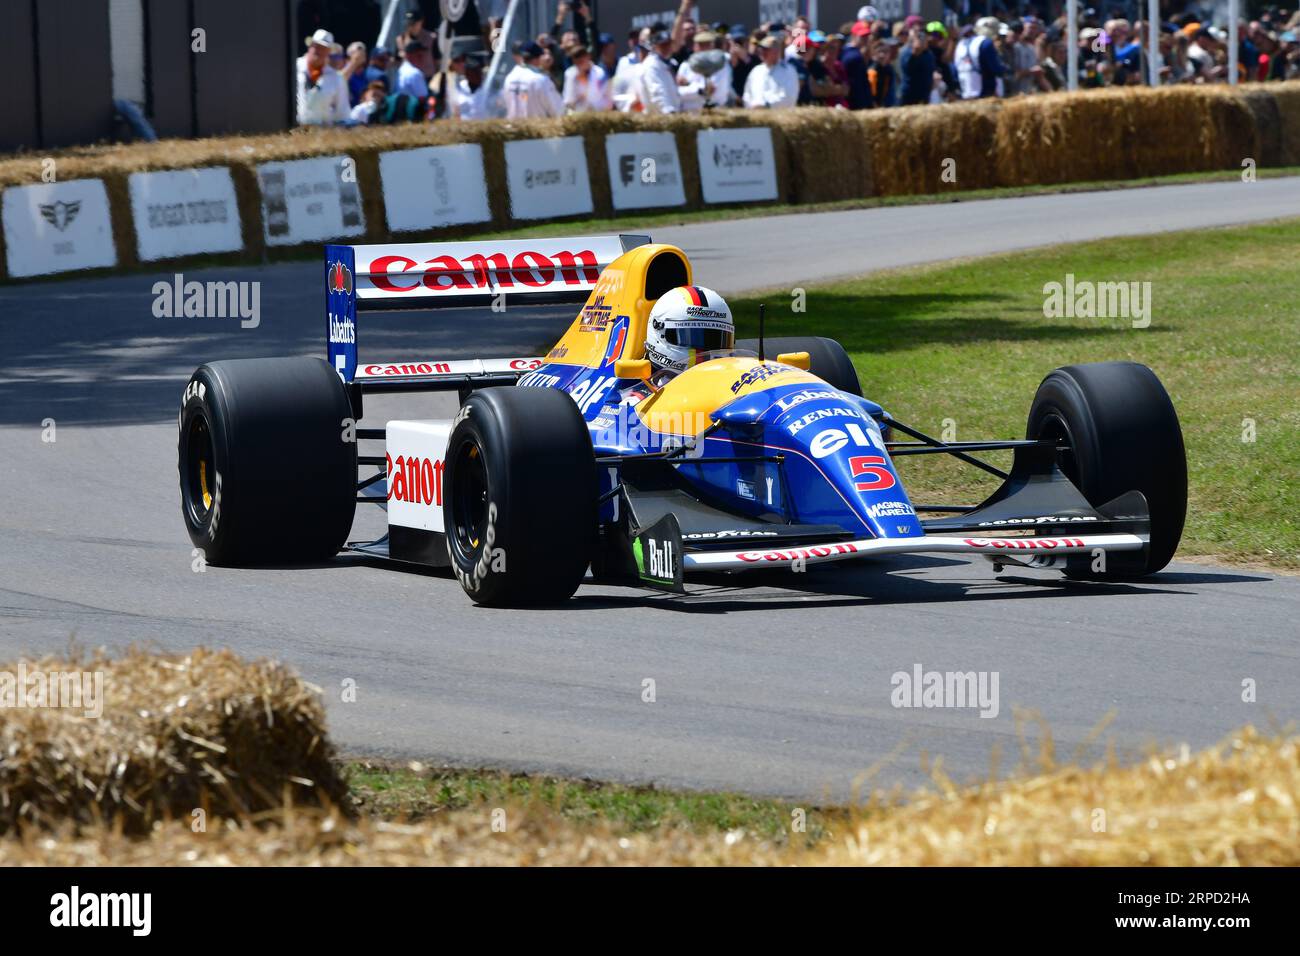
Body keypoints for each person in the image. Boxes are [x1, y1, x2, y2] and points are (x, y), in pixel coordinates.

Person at [641, 286, 735, 391]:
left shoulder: (734, 386)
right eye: (691, 336)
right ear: (658, 331)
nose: (705, 349)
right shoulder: (634, 400)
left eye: (714, 339)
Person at [297, 29, 350, 125]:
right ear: (310, 46)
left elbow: (343, 114)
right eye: (316, 46)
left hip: (321, 135)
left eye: (324, 48)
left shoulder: (337, 78)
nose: (319, 51)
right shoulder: (293, 68)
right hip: (292, 132)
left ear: (329, 52)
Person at [504, 41, 564, 118]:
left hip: (514, 127)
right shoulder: (541, 80)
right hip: (536, 128)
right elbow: (558, 110)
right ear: (538, 57)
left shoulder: (509, 78)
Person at [678, 29, 731, 109]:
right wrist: (698, 89)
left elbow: (711, 91)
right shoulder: (686, 65)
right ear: (694, 46)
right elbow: (676, 92)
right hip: (687, 112)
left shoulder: (720, 63)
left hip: (714, 111)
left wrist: (688, 84)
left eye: (707, 44)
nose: (703, 48)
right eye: (700, 45)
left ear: (712, 46)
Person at [954, 18, 1005, 98]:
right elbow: (995, 69)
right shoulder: (985, 43)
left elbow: (955, 70)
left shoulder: (960, 44)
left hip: (965, 92)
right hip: (984, 93)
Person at [743, 35, 799, 108]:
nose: (762, 52)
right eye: (761, 49)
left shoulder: (788, 70)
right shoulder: (756, 70)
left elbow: (789, 97)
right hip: (755, 115)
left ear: (776, 51)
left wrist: (766, 105)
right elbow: (747, 94)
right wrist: (751, 106)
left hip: (778, 116)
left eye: (766, 49)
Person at [636, 29, 682, 113]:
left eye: (668, 44)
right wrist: (668, 113)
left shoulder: (668, 63)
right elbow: (657, 92)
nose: (666, 48)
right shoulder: (651, 65)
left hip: (671, 115)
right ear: (654, 46)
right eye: (662, 45)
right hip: (660, 118)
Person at [563, 44, 611, 111]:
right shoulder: (570, 74)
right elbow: (568, 100)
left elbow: (607, 96)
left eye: (581, 60)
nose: (579, 63)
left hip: (600, 113)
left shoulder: (600, 73)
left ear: (588, 56)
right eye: (577, 61)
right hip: (579, 114)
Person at [454, 53, 493, 120]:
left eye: (476, 72)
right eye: (470, 72)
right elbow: (455, 110)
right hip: (463, 127)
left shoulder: (488, 88)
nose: (474, 75)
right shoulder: (460, 88)